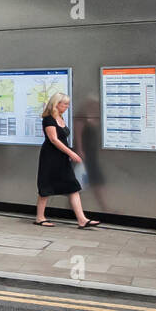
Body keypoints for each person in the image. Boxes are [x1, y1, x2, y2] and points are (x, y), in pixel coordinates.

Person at [35, 93, 100, 229]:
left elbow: (62, 139)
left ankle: (82, 219)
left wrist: (70, 151)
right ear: (56, 104)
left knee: (73, 186)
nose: (67, 107)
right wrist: (71, 152)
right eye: (64, 104)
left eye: (68, 104)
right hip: (50, 157)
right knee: (46, 186)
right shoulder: (48, 119)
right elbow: (53, 140)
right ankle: (40, 217)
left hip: (62, 157)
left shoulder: (60, 117)